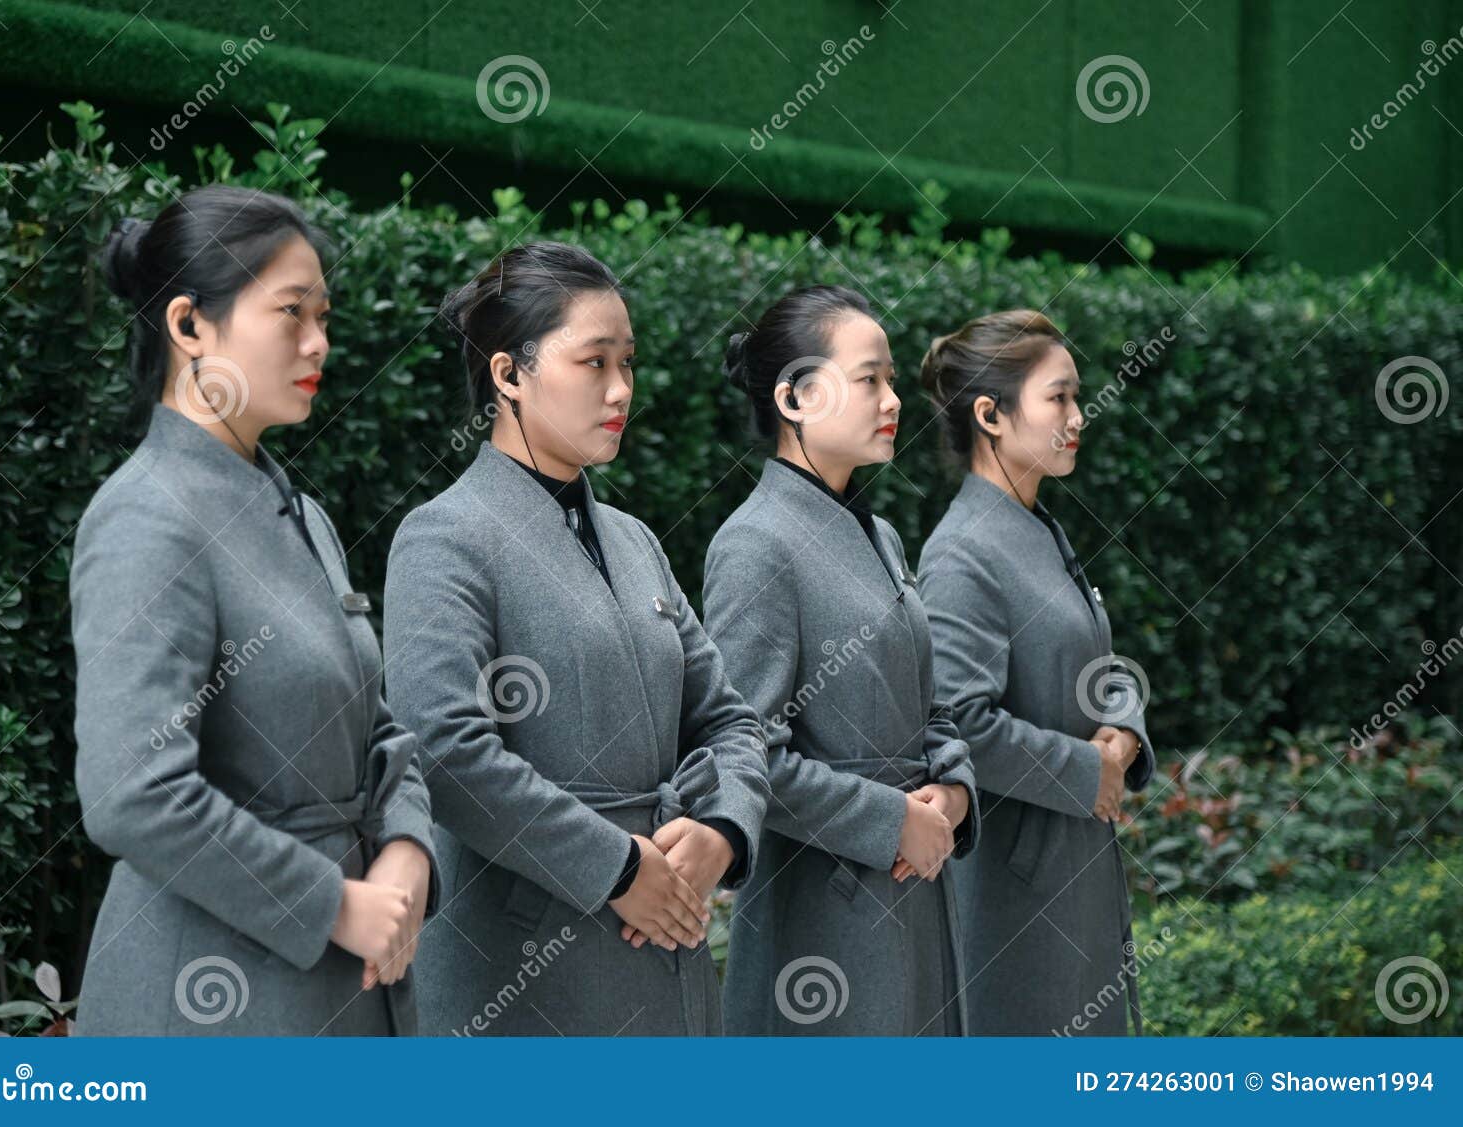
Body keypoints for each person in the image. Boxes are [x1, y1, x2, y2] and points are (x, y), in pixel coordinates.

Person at [71, 186, 437, 1035]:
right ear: (190, 324)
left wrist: (411, 849)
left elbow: (380, 731)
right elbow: (131, 792)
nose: (319, 342)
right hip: (214, 997)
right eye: (290, 313)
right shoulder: (146, 516)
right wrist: (331, 902)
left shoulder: (299, 512)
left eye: (325, 314)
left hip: (353, 986)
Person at [383, 241, 769, 1035]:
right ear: (508, 374)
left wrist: (723, 831)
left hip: (674, 953)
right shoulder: (444, 537)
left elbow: (729, 718)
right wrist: (618, 866)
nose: (621, 389)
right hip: (528, 965)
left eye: (627, 362)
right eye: (594, 362)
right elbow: (445, 748)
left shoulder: (635, 540)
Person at [705, 285, 978, 1035]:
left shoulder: (881, 533)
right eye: (870, 379)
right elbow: (746, 753)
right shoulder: (754, 544)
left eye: (891, 379)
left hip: (918, 889)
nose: (892, 399)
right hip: (823, 922)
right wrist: (892, 819)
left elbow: (936, 707)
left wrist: (951, 793)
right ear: (795, 395)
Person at [917, 308, 1154, 1035]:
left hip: (1077, 865)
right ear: (991, 414)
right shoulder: (961, 554)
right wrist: (1088, 769)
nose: (1079, 415)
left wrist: (1124, 731)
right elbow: (962, 725)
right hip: (1020, 897)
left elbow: (1098, 656)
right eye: (1060, 397)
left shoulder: (1037, 526)